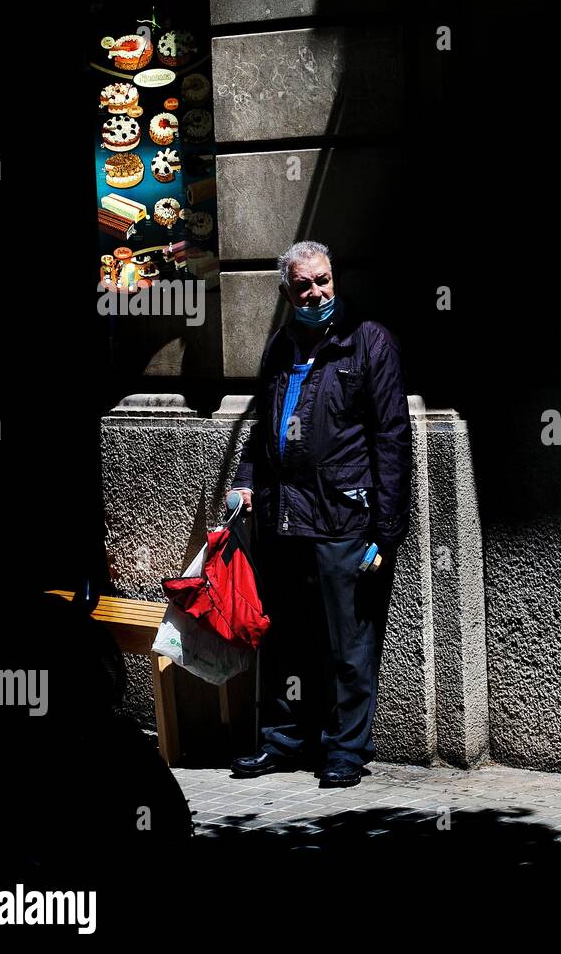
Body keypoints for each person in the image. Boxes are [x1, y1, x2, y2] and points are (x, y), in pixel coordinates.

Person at [229, 240, 412, 788]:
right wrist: (244, 484)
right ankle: (284, 740)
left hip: (344, 518)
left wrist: (386, 528)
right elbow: (263, 429)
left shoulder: (368, 343)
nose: (317, 293)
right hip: (285, 519)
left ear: (335, 278)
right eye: (304, 285)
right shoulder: (281, 347)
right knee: (285, 638)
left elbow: (392, 440)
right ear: (287, 293)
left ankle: (346, 750)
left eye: (324, 280)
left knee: (348, 644)